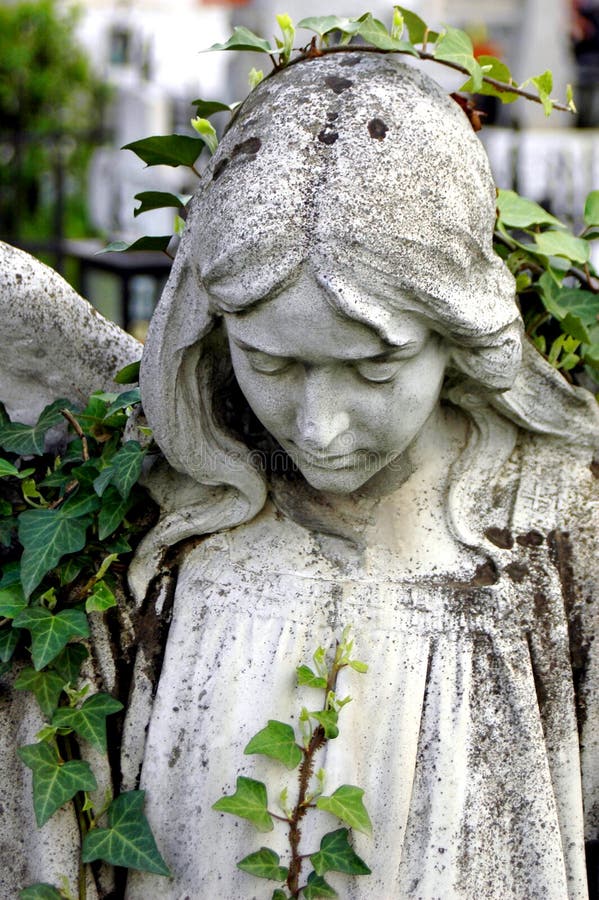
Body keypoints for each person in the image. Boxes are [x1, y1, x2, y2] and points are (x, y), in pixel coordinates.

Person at [120, 55, 598, 899]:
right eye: (269, 364)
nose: (317, 427)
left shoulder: (552, 524)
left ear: (461, 337)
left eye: (374, 372)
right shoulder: (171, 522)